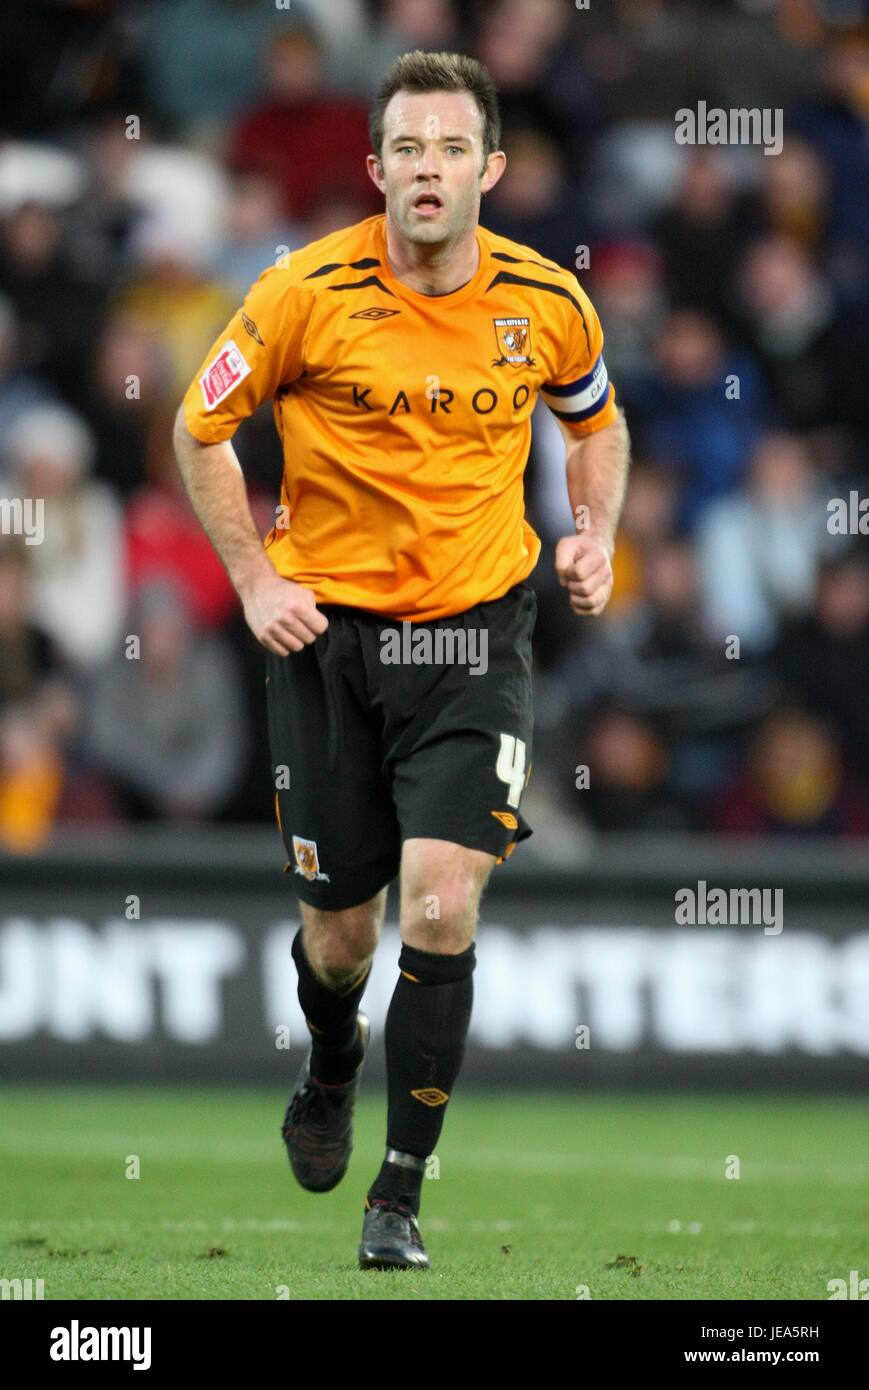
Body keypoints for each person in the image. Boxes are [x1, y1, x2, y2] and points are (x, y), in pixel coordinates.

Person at [174, 49, 630, 1272]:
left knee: (440, 896)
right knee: (341, 936)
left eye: (448, 149)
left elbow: (597, 420)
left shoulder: (546, 301)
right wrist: (256, 578)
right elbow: (200, 426)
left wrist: (594, 535)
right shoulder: (300, 292)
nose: (426, 171)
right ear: (374, 168)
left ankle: (400, 1190)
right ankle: (330, 1067)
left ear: (489, 166)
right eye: (405, 151)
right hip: (329, 644)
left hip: (475, 640)